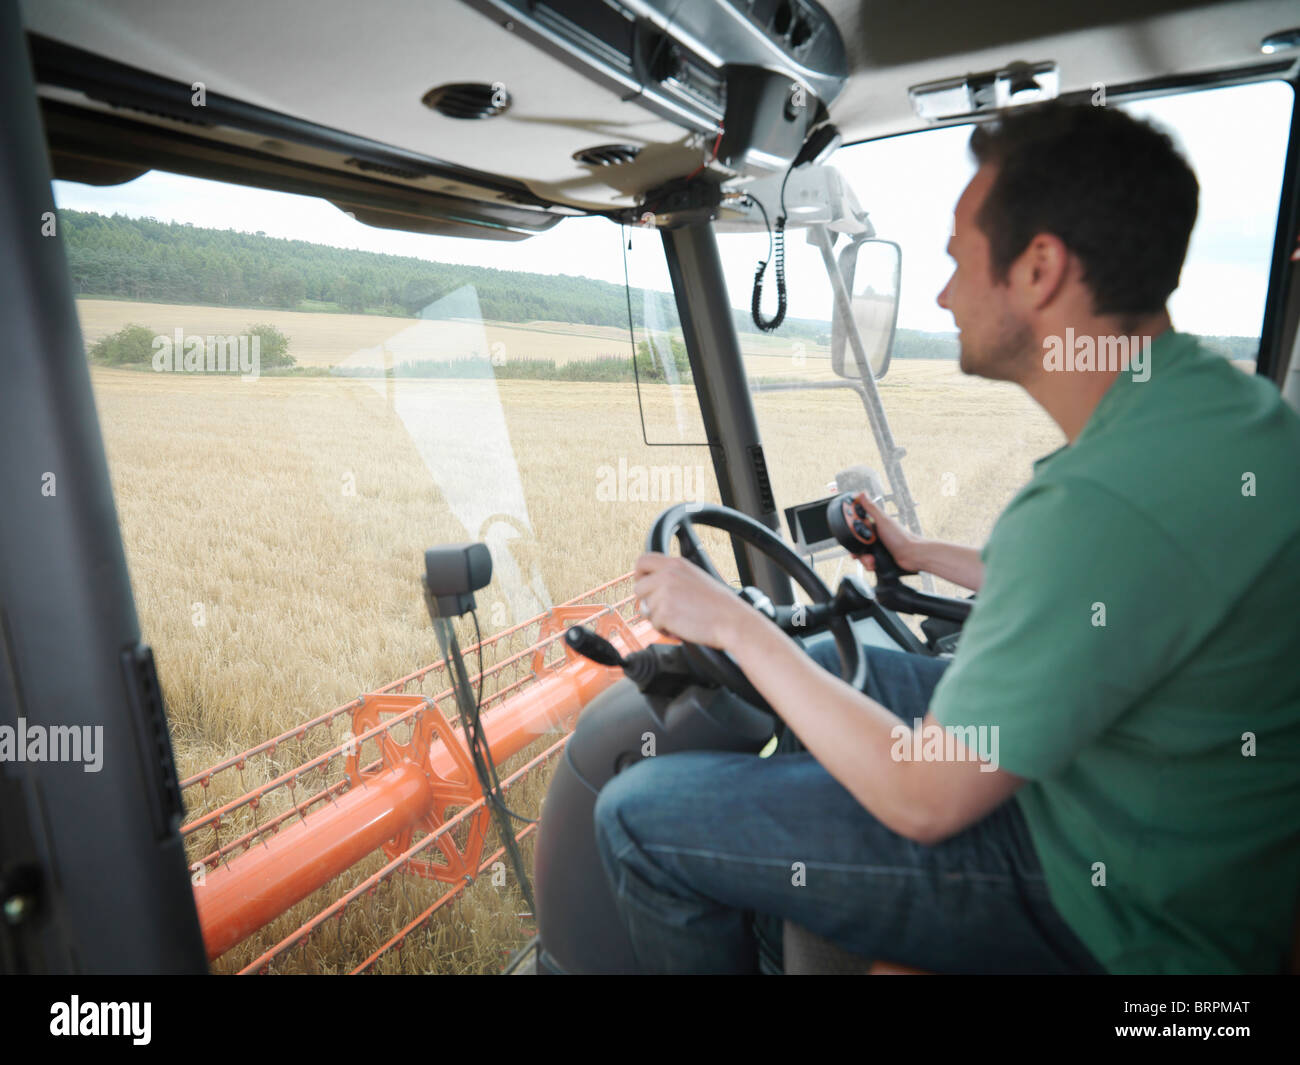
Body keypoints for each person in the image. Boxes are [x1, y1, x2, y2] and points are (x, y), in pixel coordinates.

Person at [593, 101, 1300, 975]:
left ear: (1040, 267)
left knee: (638, 811)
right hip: (1120, 797)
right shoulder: (1211, 413)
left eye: (959, 260)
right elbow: (1093, 592)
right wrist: (919, 554)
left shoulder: (1102, 496)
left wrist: (737, 625)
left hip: (1117, 906)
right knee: (812, 666)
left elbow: (925, 799)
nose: (941, 293)